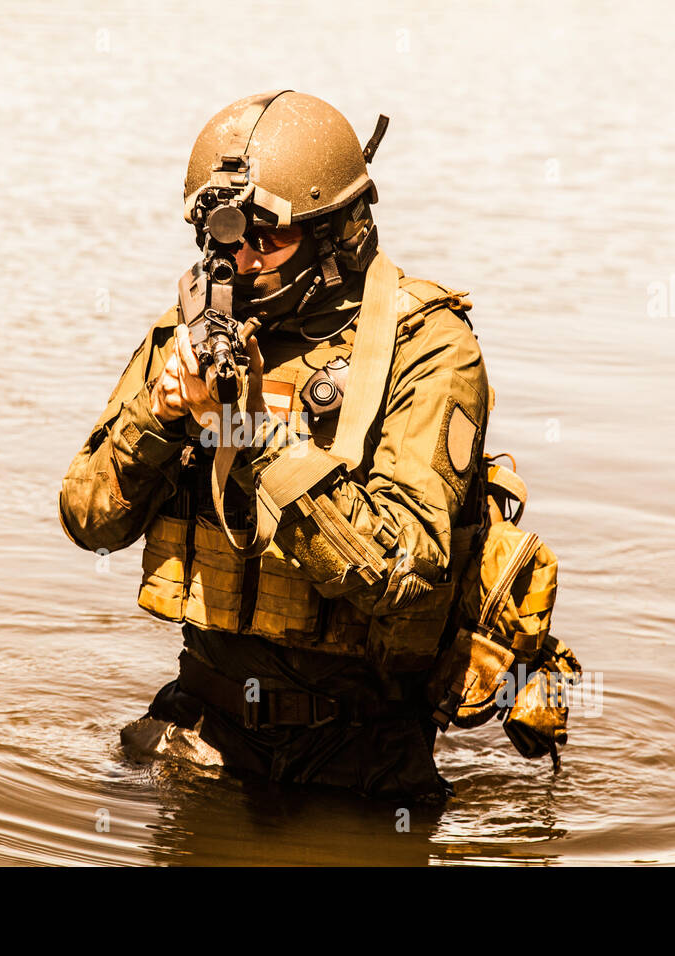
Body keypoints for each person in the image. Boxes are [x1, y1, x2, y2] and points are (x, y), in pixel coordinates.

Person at [59, 90, 490, 801]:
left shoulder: (428, 345)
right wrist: (161, 414)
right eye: (225, 240)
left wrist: (248, 431)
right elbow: (88, 519)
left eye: (265, 238)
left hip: (358, 753)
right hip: (200, 730)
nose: (241, 262)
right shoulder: (191, 333)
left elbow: (405, 572)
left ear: (339, 231)